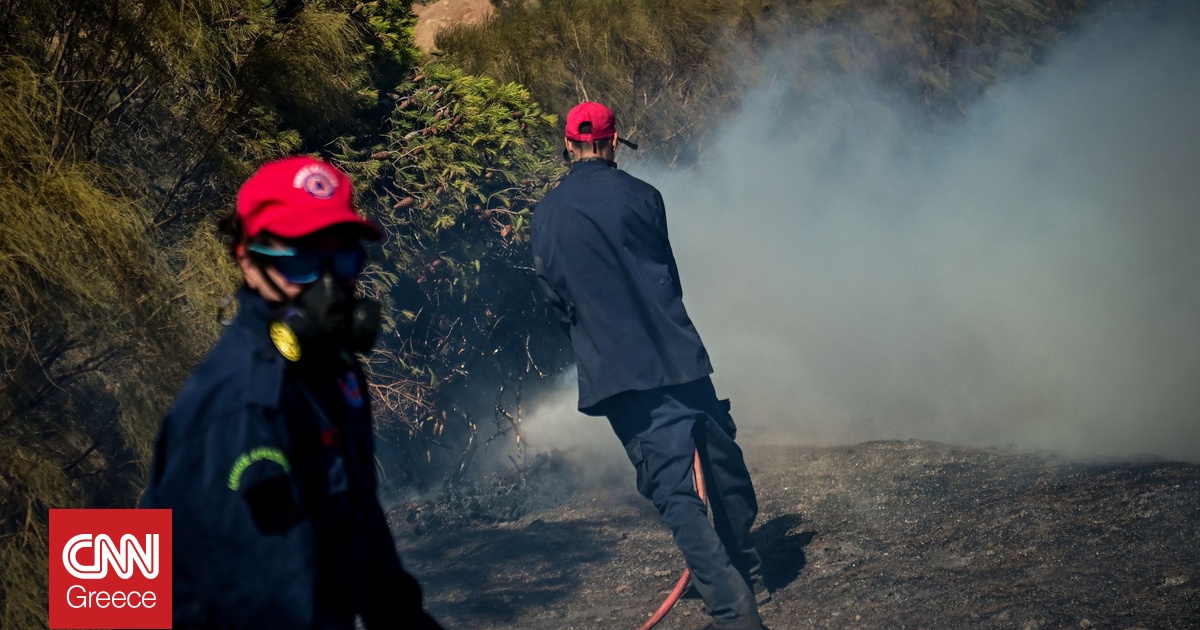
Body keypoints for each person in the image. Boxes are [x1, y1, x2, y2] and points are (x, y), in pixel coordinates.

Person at [140, 156, 443, 629]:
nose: (328, 289)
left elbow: (356, 513)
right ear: (247, 258)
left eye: (342, 259)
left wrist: (402, 616)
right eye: (300, 262)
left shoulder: (330, 372)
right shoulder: (242, 403)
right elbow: (269, 601)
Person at [531, 102, 770, 630]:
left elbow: (555, 304)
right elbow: (667, 273)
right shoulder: (645, 196)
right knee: (723, 465)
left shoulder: (544, 216)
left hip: (619, 374)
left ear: (568, 145)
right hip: (678, 355)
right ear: (615, 143)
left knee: (673, 490)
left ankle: (735, 611)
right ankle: (750, 576)